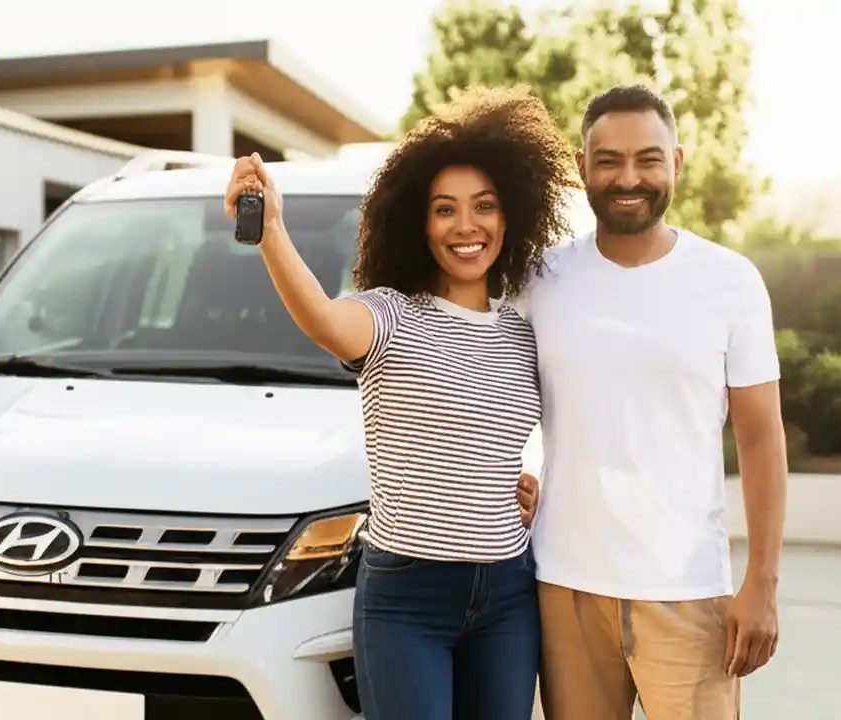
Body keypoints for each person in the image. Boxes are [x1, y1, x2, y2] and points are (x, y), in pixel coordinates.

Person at [223, 86, 576, 720]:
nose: (466, 226)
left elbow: (546, 428)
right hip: (408, 597)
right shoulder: (390, 314)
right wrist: (271, 231)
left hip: (507, 593)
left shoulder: (523, 330)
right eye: (444, 210)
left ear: (510, 217)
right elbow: (325, 320)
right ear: (419, 223)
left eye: (484, 206)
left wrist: (539, 485)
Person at [515, 84, 788, 719]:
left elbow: (760, 438)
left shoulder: (730, 282)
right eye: (608, 160)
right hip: (565, 587)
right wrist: (515, 473)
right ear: (582, 167)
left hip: (689, 594)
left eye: (648, 159)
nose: (628, 178)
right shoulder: (540, 279)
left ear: (677, 163)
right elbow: (497, 392)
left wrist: (763, 583)